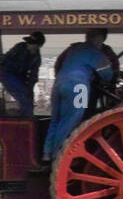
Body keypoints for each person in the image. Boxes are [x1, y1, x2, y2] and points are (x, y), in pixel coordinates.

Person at [43, 29, 117, 161]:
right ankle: (59, 156)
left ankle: (47, 153)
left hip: (58, 84)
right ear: (100, 39)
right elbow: (107, 75)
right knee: (72, 121)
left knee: (56, 120)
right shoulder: (96, 53)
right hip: (78, 87)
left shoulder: (74, 49)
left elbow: (59, 64)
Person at [0, 31, 45, 116]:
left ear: (39, 46)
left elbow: (33, 76)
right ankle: (26, 118)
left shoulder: (36, 59)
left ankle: (27, 117)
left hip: (20, 77)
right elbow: (6, 58)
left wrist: (30, 88)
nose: (28, 44)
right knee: (23, 96)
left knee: (28, 96)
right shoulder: (20, 47)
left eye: (32, 43)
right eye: (28, 42)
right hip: (7, 74)